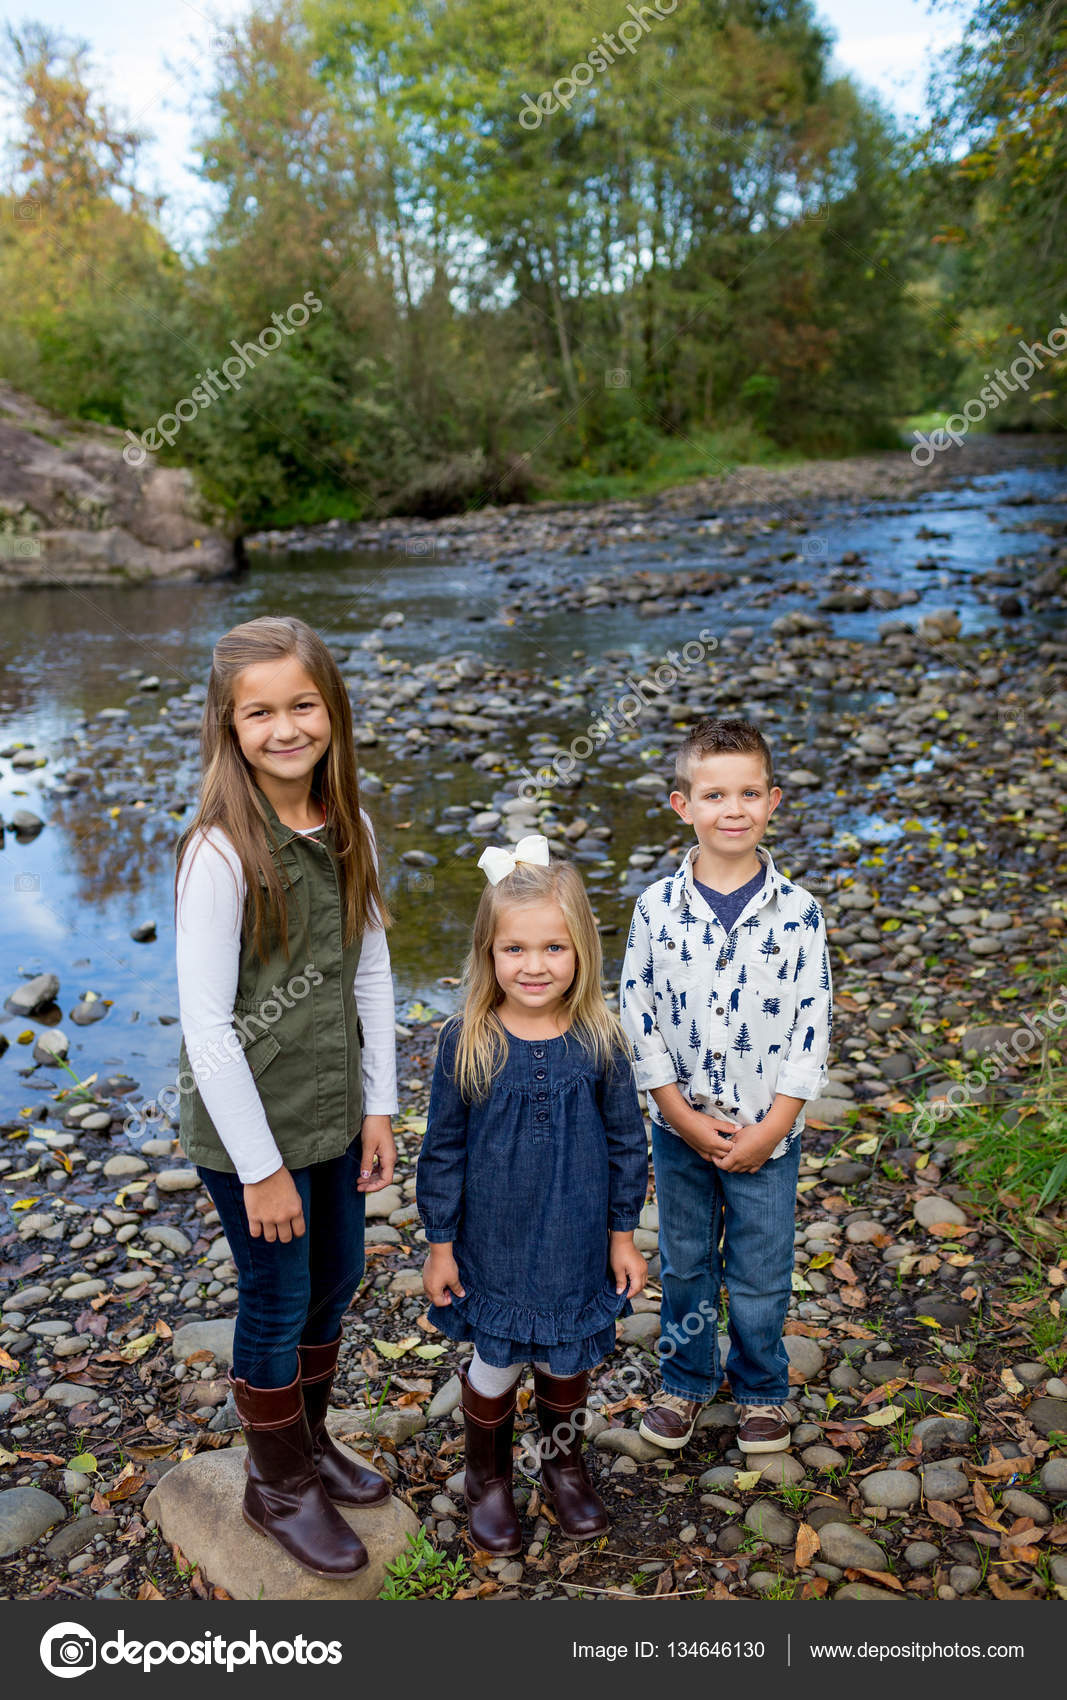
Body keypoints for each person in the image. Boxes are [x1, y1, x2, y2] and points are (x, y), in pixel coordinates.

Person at [174, 615, 398, 1578]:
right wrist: (261, 1171)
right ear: (229, 726)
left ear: (333, 711)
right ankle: (272, 1486)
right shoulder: (220, 852)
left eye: (301, 705)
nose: (284, 727)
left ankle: (306, 1444)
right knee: (274, 1298)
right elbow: (206, 1025)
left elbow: (372, 972)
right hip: (249, 1136)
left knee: (336, 1278)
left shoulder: (351, 827)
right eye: (258, 712)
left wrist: (379, 1106)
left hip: (332, 1113)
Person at [416, 837, 649, 1556]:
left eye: (553, 948)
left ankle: (561, 1464)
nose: (534, 966)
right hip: (493, 1245)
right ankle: (486, 1477)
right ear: (488, 954)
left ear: (580, 951)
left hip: (575, 1240)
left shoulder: (600, 1040)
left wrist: (621, 1234)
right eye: (514, 949)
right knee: (495, 1363)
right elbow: (442, 1150)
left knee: (565, 1362)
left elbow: (625, 1144)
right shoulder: (468, 1040)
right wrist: (440, 1244)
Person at [620, 718, 833, 1457]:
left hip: (765, 1132)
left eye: (748, 793)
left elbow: (812, 1022)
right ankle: (684, 1379)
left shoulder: (799, 914)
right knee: (684, 1261)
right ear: (683, 806)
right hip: (680, 1130)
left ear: (772, 801)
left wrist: (774, 1126)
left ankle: (760, 1388)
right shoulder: (655, 910)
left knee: (761, 1268)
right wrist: (674, 1112)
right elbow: (637, 1013)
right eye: (714, 795)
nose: (732, 810)